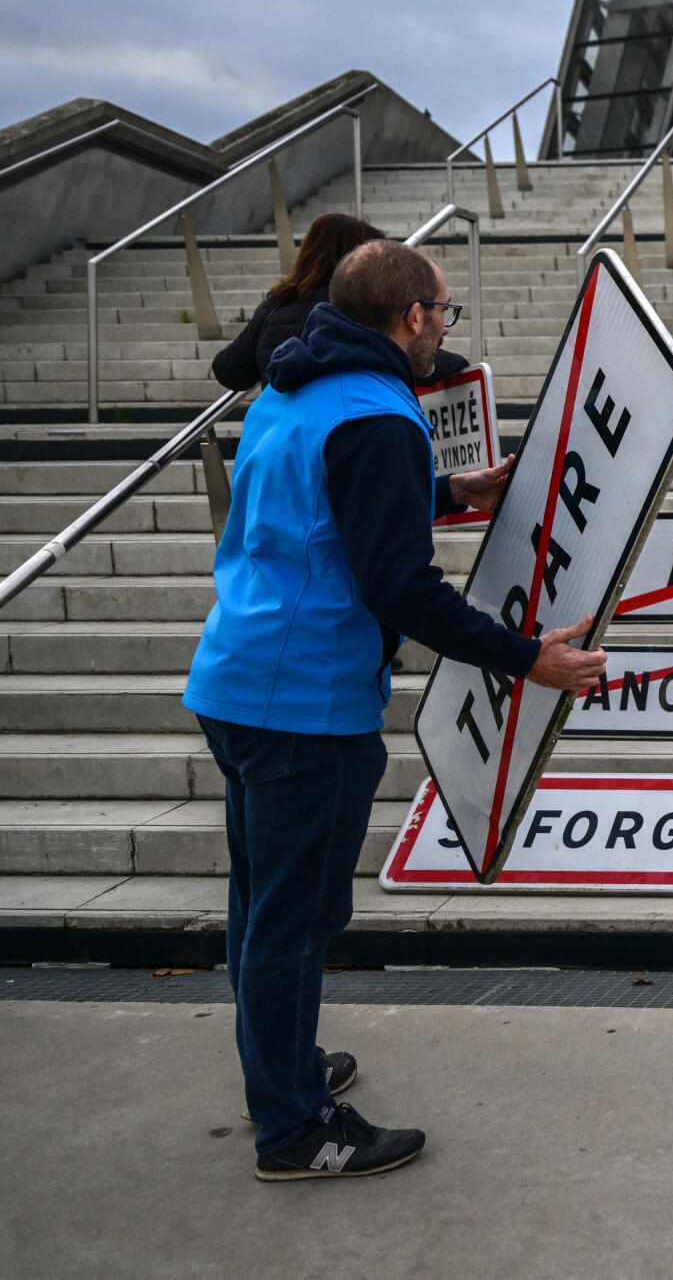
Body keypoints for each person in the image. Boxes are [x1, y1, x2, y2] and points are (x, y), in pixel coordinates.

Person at [183, 240, 610, 1180]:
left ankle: (285, 1068)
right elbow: (404, 589)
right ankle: (295, 1128)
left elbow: (318, 502)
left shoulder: (292, 383)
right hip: (307, 702)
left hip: (237, 676)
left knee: (260, 906)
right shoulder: (381, 413)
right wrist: (526, 658)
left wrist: (453, 488)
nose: (445, 331)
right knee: (294, 921)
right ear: (413, 315)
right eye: (445, 313)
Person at [211, 213, 467, 390]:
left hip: (287, 434)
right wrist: (458, 363)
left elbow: (229, 371)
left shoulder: (275, 306)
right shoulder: (355, 309)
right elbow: (400, 356)